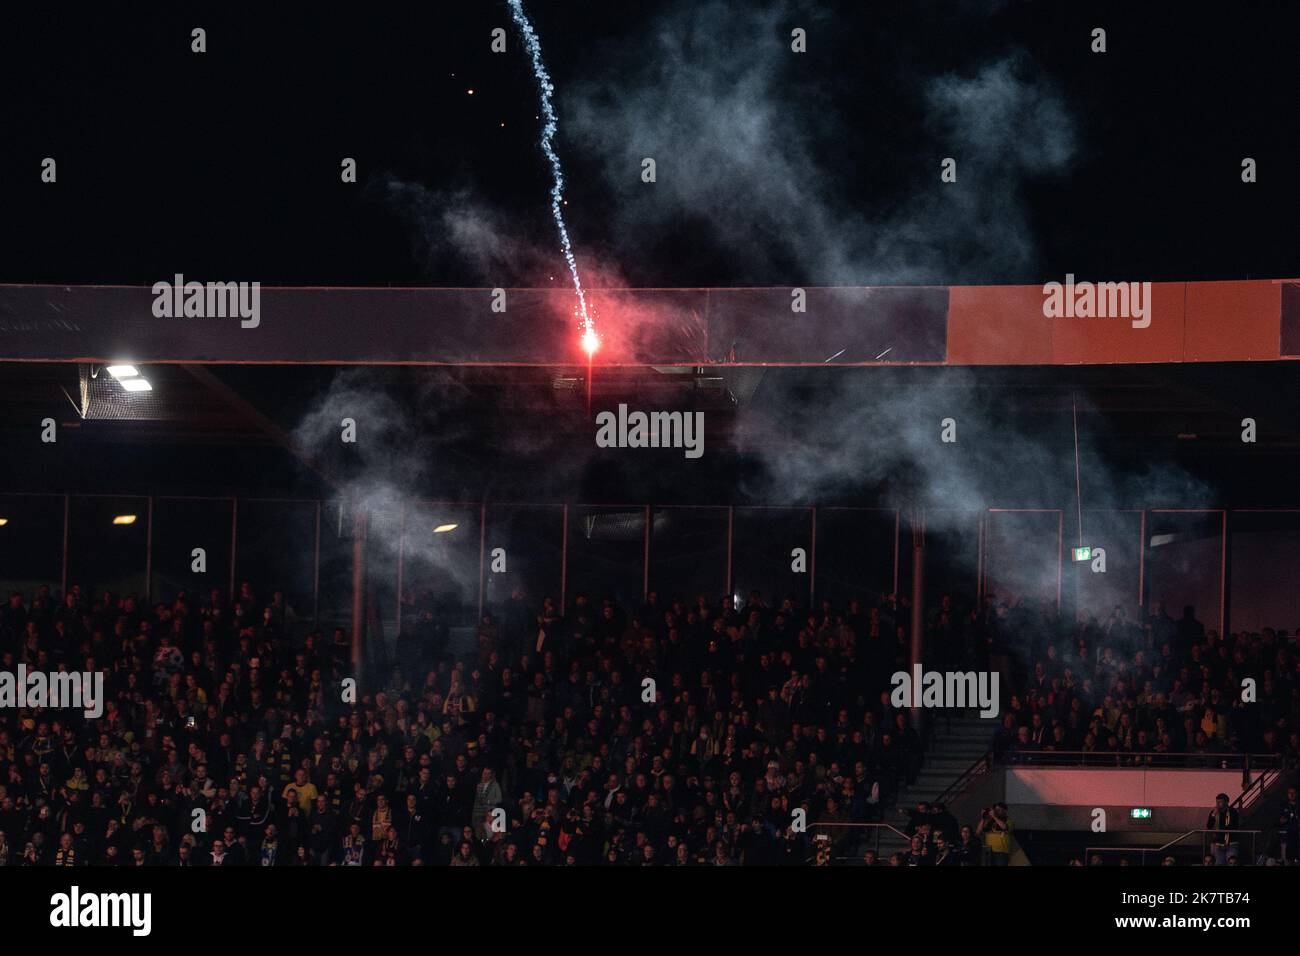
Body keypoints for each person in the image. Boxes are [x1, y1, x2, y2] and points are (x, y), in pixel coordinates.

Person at [1205, 792, 1239, 866]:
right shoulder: (1214, 812)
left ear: (1226, 802)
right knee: (1218, 863)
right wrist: (1213, 815)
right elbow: (1209, 826)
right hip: (1217, 844)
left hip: (1231, 843)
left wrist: (1220, 831)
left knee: (1231, 863)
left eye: (1220, 802)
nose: (1217, 804)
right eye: (1217, 802)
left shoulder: (1233, 812)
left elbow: (1233, 826)